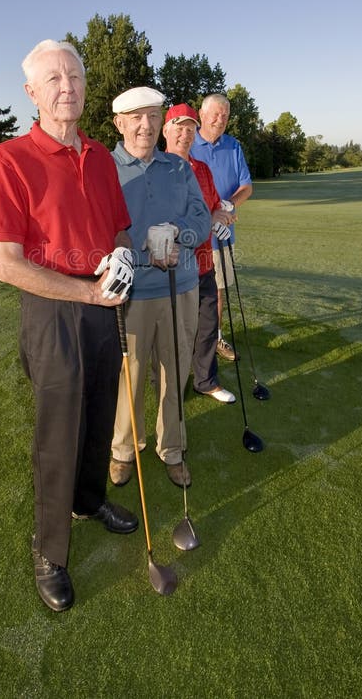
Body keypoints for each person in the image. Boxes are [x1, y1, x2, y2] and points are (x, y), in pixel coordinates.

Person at [0, 39, 138, 614]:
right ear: (31, 92)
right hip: (52, 312)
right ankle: (50, 550)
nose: (66, 86)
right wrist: (86, 291)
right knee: (58, 432)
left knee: (99, 412)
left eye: (74, 75)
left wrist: (121, 257)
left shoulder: (99, 156)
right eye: (53, 79)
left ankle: (89, 499)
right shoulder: (9, 159)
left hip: (103, 303)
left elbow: (118, 228)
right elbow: (7, 265)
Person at [109, 87, 211, 488]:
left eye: (153, 117)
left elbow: (201, 218)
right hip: (131, 291)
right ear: (119, 123)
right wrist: (135, 248)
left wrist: (178, 234)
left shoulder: (178, 168)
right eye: (135, 118)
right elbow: (99, 226)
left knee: (174, 373)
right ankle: (123, 449)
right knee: (128, 378)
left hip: (178, 287)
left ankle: (172, 448)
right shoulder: (105, 168)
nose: (145, 126)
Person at [163, 103, 236, 404]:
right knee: (174, 334)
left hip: (205, 263)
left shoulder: (201, 169)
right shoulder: (155, 170)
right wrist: (210, 220)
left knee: (207, 326)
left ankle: (205, 380)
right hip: (172, 270)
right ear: (166, 130)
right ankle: (169, 388)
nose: (185, 134)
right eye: (179, 127)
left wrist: (223, 213)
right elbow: (167, 222)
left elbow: (215, 204)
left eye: (191, 129)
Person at [190, 94, 253, 361]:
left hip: (223, 233)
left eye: (225, 115)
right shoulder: (187, 142)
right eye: (216, 114)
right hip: (193, 235)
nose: (220, 119)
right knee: (190, 289)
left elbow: (246, 187)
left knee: (217, 289)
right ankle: (189, 338)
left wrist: (229, 205)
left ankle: (214, 338)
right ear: (202, 115)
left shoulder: (233, 145)